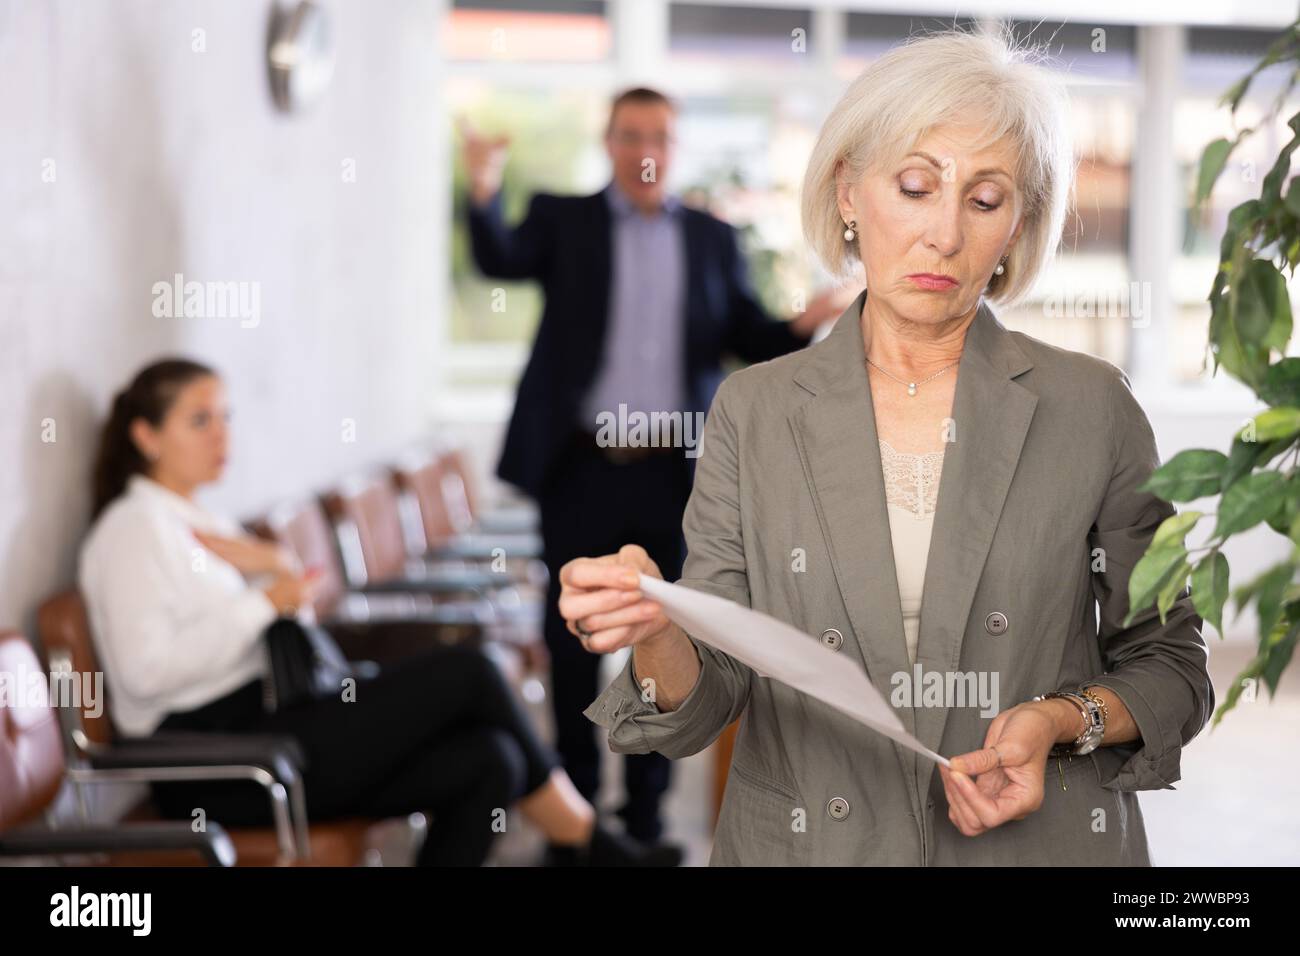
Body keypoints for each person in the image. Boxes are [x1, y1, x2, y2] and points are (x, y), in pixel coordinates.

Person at [558, 30, 1214, 865]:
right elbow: (706, 697)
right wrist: (657, 623)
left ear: (1017, 226)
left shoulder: (1091, 406)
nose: (943, 233)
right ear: (847, 193)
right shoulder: (753, 411)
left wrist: (1061, 720)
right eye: (914, 186)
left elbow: (1170, 665)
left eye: (985, 200)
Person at [78, 358, 680, 866]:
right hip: (223, 761)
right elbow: (144, 673)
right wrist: (264, 599)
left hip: (276, 720)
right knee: (472, 672)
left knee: (487, 763)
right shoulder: (133, 531)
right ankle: (588, 842)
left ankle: (587, 843)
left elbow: (278, 631)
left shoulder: (199, 523)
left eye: (226, 417)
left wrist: (272, 570)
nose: (221, 436)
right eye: (199, 421)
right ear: (146, 436)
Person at [460, 87, 854, 849]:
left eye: (661, 137)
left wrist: (802, 322)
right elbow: (495, 257)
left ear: (674, 150)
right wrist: (482, 186)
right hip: (580, 467)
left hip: (675, 474)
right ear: (609, 144)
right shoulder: (563, 220)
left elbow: (745, 336)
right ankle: (572, 827)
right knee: (574, 634)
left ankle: (644, 822)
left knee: (665, 632)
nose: (646, 150)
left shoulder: (711, 237)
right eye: (631, 134)